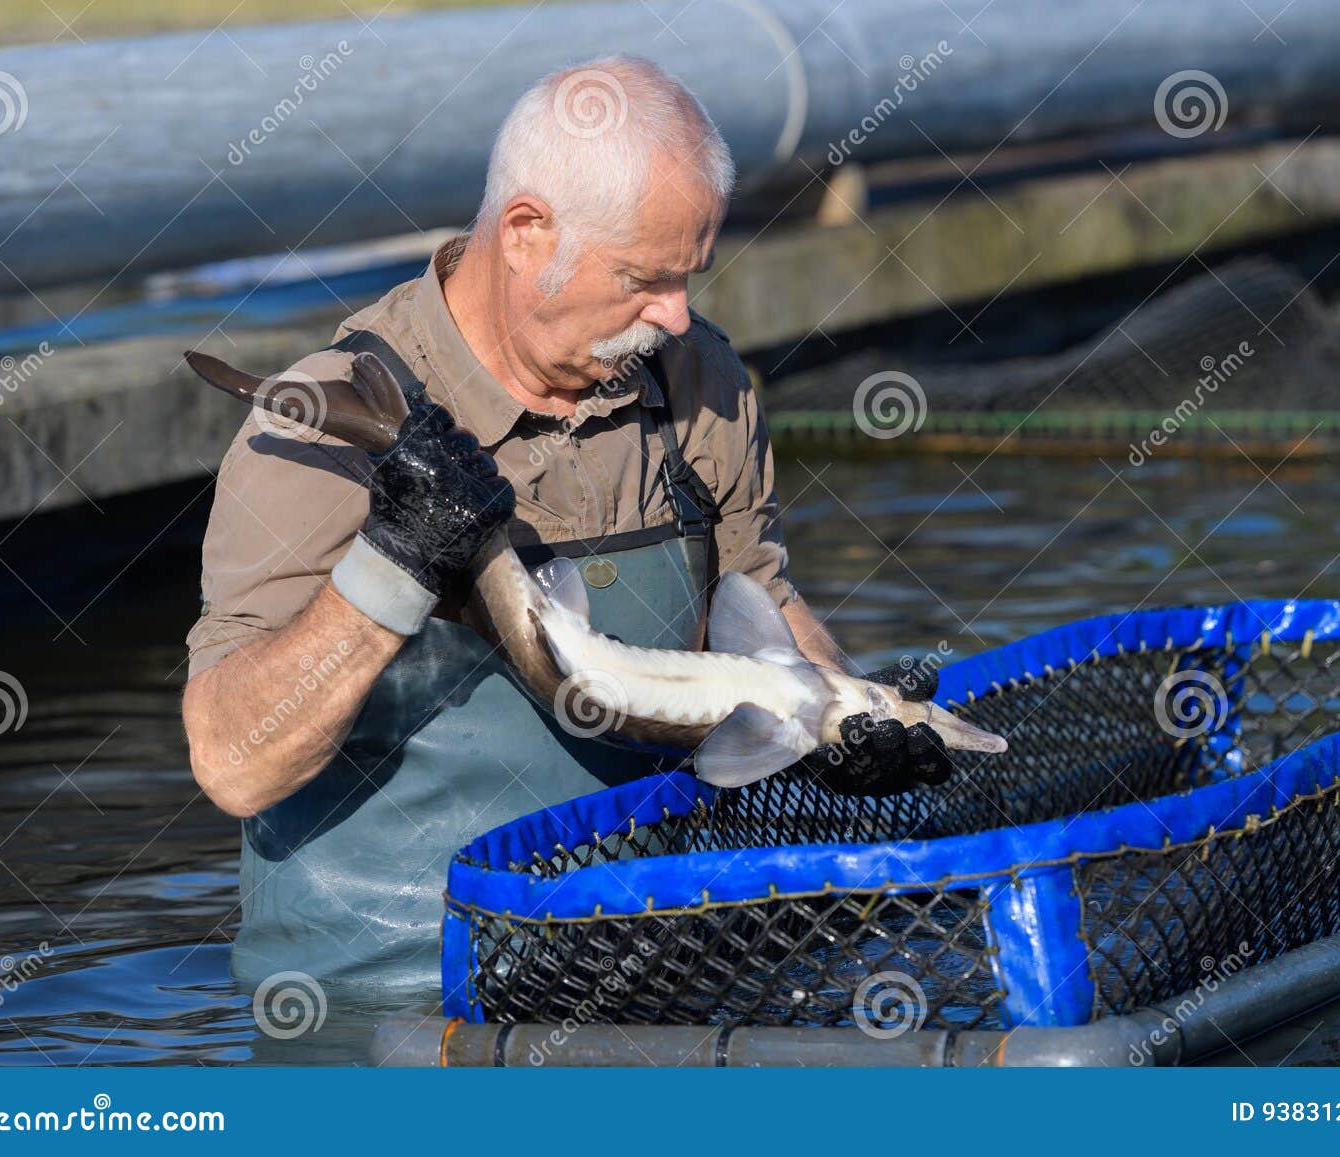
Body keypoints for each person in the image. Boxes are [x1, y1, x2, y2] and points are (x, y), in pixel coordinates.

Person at [181, 56, 951, 992]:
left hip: (651, 960)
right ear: (525, 232)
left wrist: (841, 716)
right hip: (393, 996)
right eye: (642, 278)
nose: (675, 316)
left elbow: (765, 599)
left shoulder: (695, 379)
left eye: (689, 278)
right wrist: (395, 561)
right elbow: (231, 764)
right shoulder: (323, 419)